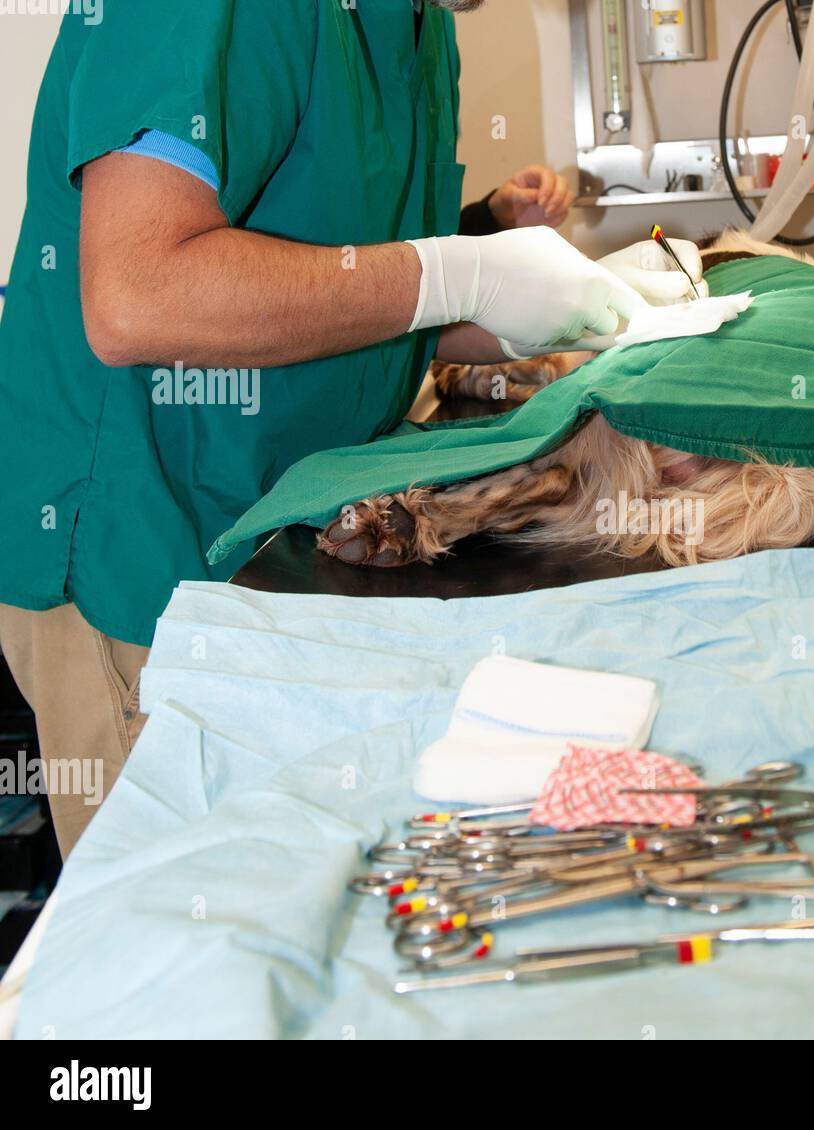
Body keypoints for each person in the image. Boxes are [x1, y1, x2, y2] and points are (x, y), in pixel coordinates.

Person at [0, 0, 702, 854]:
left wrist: (587, 309)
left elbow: (347, 295)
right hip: (145, 544)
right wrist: (467, 272)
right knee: (196, 931)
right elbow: (140, 295)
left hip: (287, 527)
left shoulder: (420, 24)